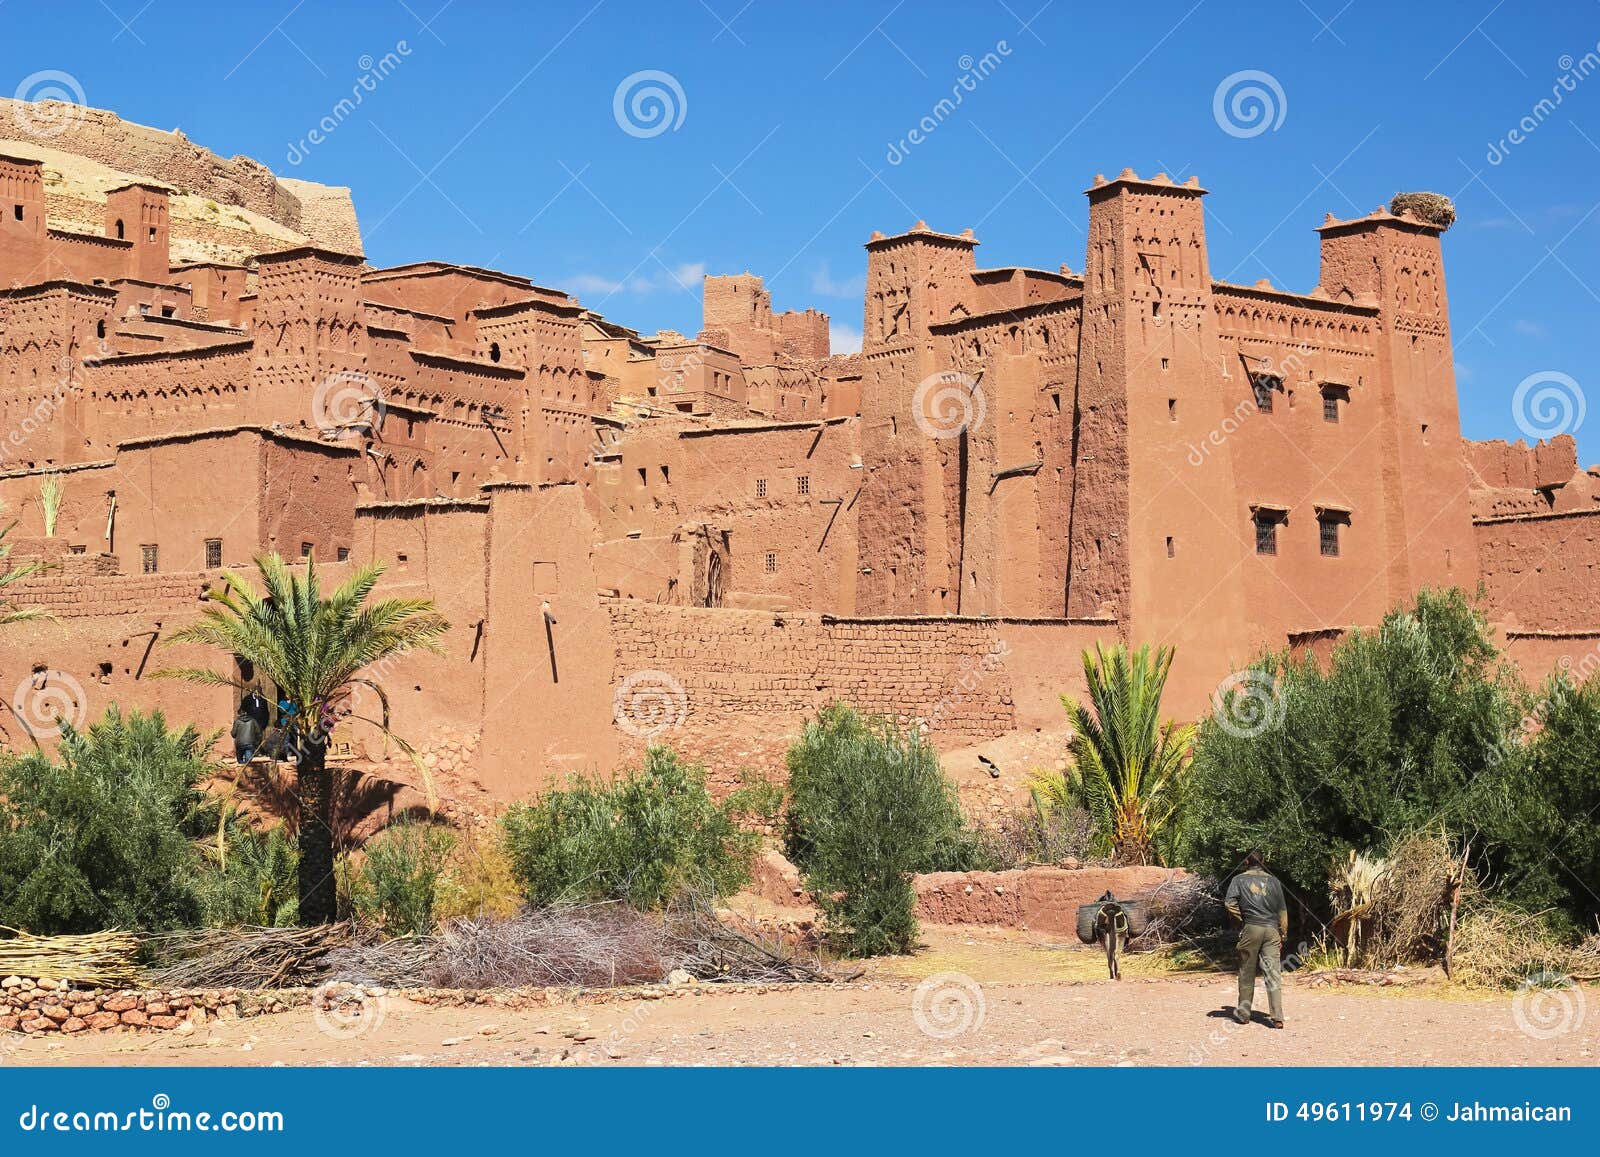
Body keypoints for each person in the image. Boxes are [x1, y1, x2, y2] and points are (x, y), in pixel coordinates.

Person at [1224, 849, 1287, 1028]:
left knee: (1246, 972)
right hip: (1272, 930)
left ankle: (1244, 1014)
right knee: (1273, 973)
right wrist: (1283, 934)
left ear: (1246, 862)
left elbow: (1229, 903)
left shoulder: (1238, 880)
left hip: (1251, 927)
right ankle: (1277, 1017)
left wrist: (1242, 919)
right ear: (1263, 861)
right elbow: (1282, 911)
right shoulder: (1274, 881)